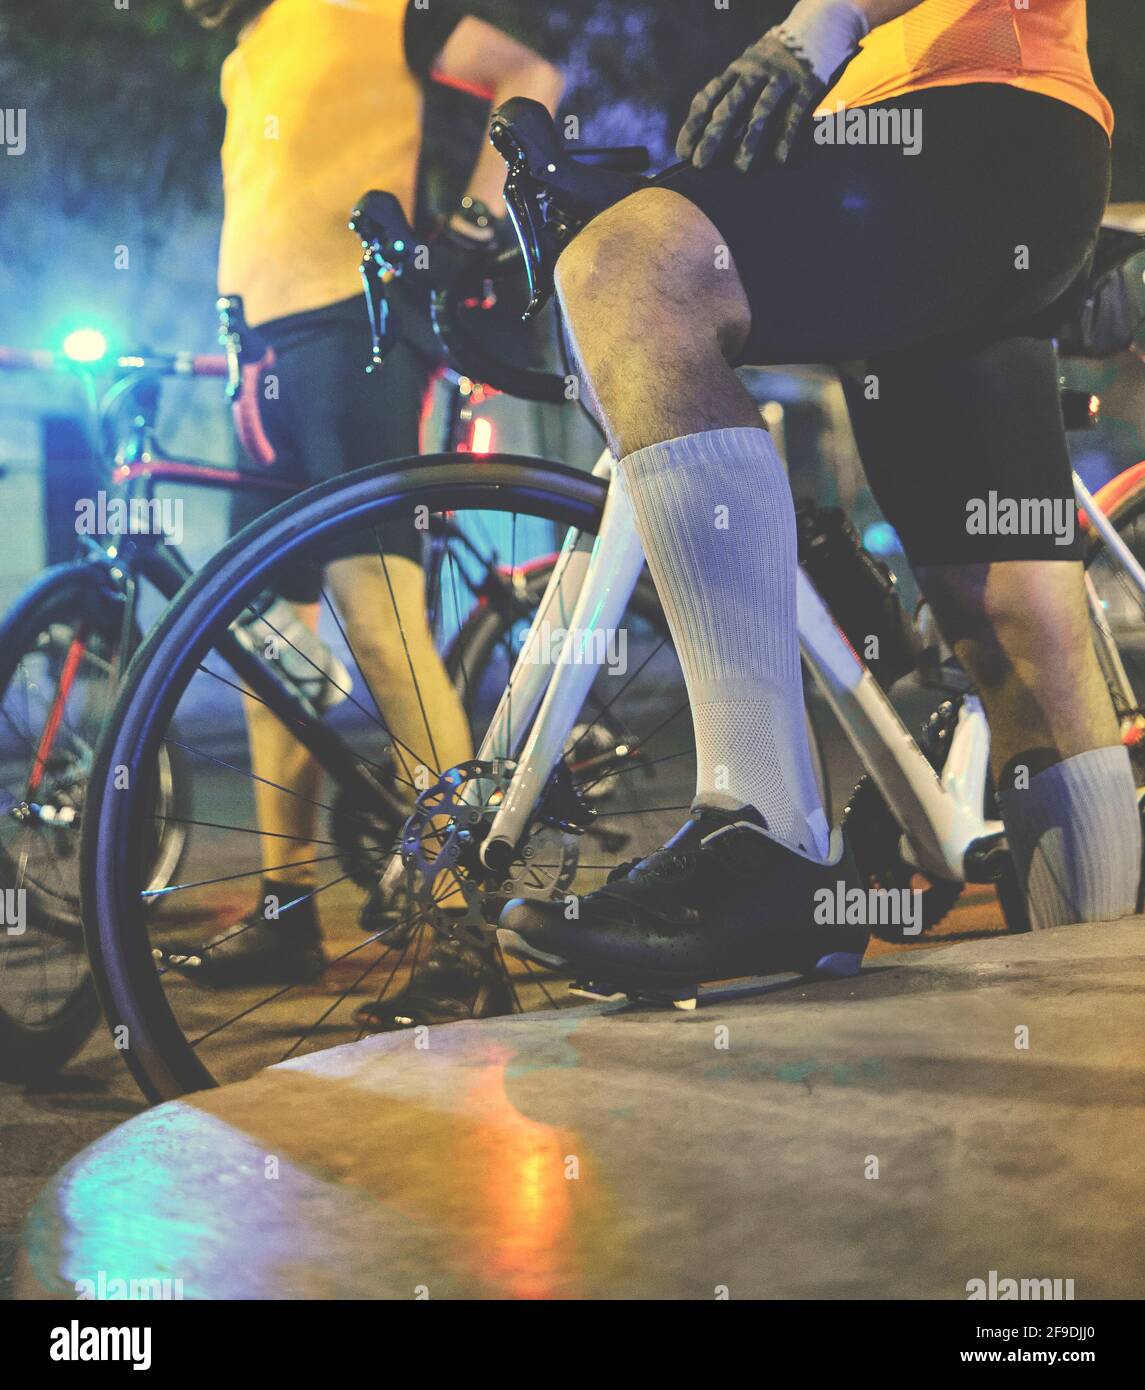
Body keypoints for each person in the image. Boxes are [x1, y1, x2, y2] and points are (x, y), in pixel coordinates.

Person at [501, 0, 1139, 987]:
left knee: (632, 271)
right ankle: (1098, 1013)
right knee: (1012, 618)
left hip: (968, 120)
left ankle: (762, 833)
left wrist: (819, 24)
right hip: (1010, 147)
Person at [172, 0, 562, 1012]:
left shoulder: (377, 8)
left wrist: (475, 227)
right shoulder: (240, 55)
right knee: (267, 637)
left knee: (380, 625)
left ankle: (464, 929)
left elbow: (531, 76)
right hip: (254, 353)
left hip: (358, 331)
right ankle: (283, 908)